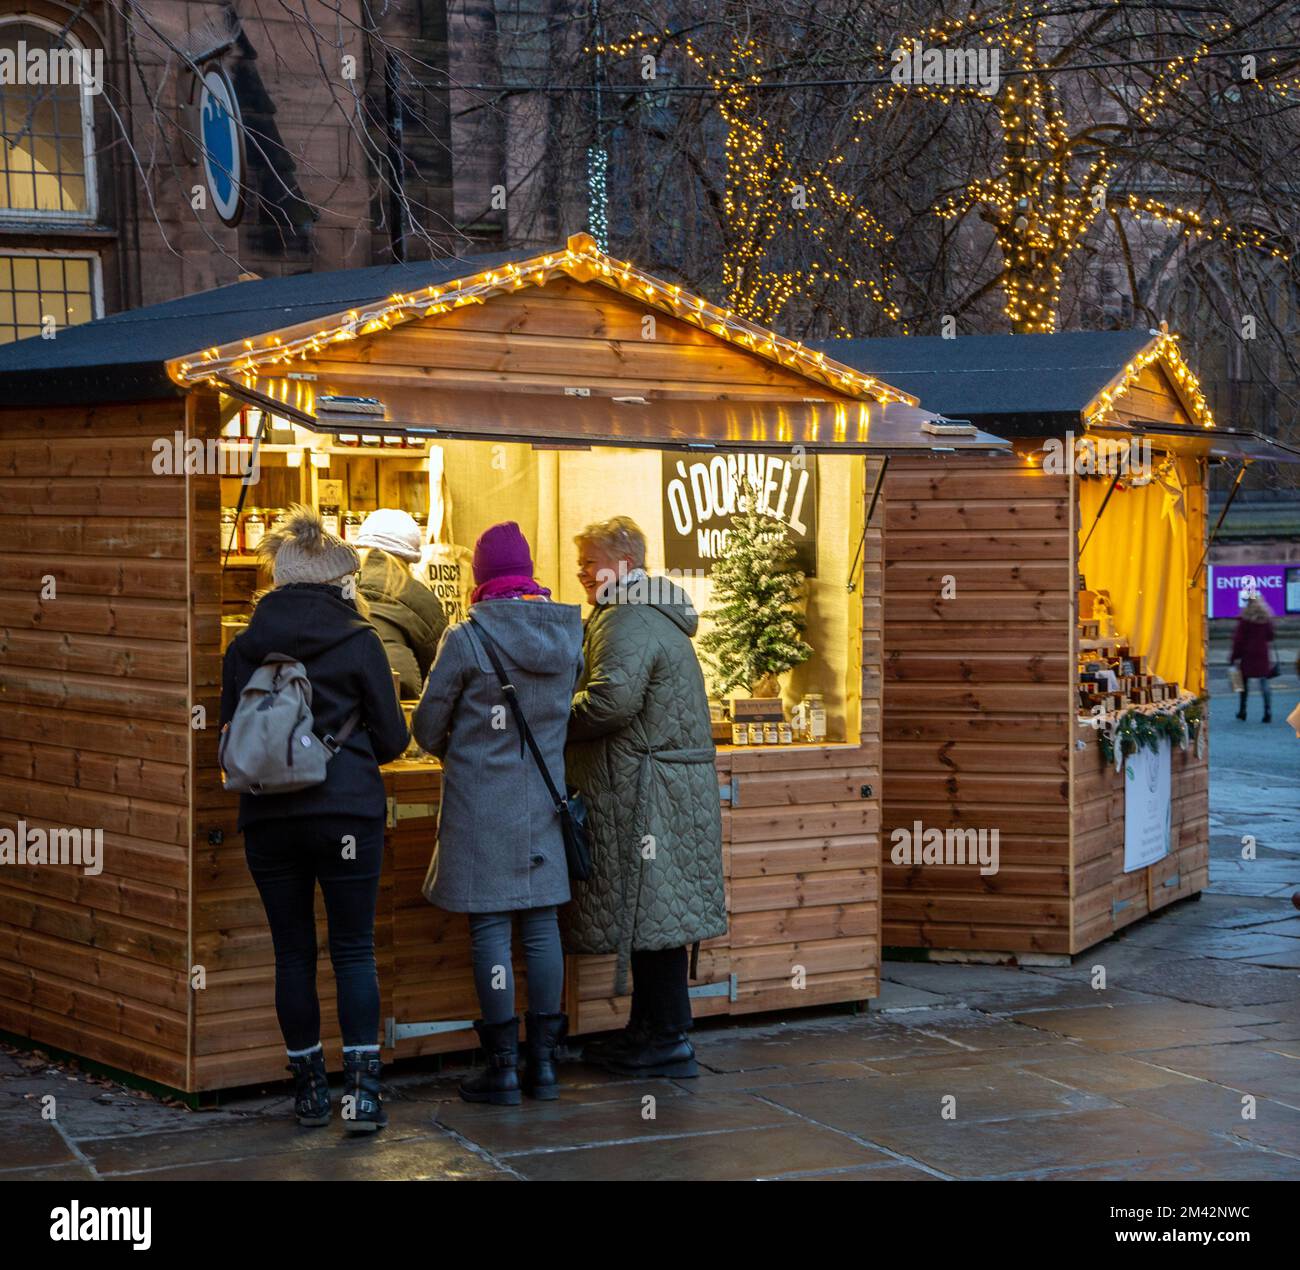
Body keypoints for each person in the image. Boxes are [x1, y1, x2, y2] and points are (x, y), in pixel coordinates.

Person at [220, 506, 409, 1132]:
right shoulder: (359, 640)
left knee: (292, 952)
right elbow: (393, 740)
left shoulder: (244, 647)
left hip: (269, 820)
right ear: (337, 579)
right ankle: (362, 1096)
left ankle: (308, 1092)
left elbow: (228, 738)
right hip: (348, 814)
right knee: (354, 950)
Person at [413, 522, 583, 1105]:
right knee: (540, 928)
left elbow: (428, 725)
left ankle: (503, 1068)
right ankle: (546, 1066)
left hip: (481, 805)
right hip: (544, 801)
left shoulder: (466, 637)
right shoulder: (569, 634)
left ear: (481, 577)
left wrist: (468, 750)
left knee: (490, 928)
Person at [564, 516, 726, 1079]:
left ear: (624, 566)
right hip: (663, 787)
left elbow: (610, 703)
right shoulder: (650, 612)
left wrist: (553, 718)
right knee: (655, 913)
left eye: (590, 561)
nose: (581, 571)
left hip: (643, 791)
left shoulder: (625, 618)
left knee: (651, 912)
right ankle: (653, 1030)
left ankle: (665, 1039)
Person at [355, 508, 446, 698]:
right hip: (401, 699)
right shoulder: (422, 597)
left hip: (342, 701)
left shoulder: (342, 585)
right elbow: (439, 668)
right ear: (408, 559)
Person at [1230, 594, 1276, 723]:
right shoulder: (1266, 618)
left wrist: (1234, 657)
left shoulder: (1244, 620)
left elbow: (1238, 640)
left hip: (1247, 654)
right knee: (1264, 682)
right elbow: (1271, 636)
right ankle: (1268, 711)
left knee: (1243, 683)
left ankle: (1242, 711)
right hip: (1262, 654)